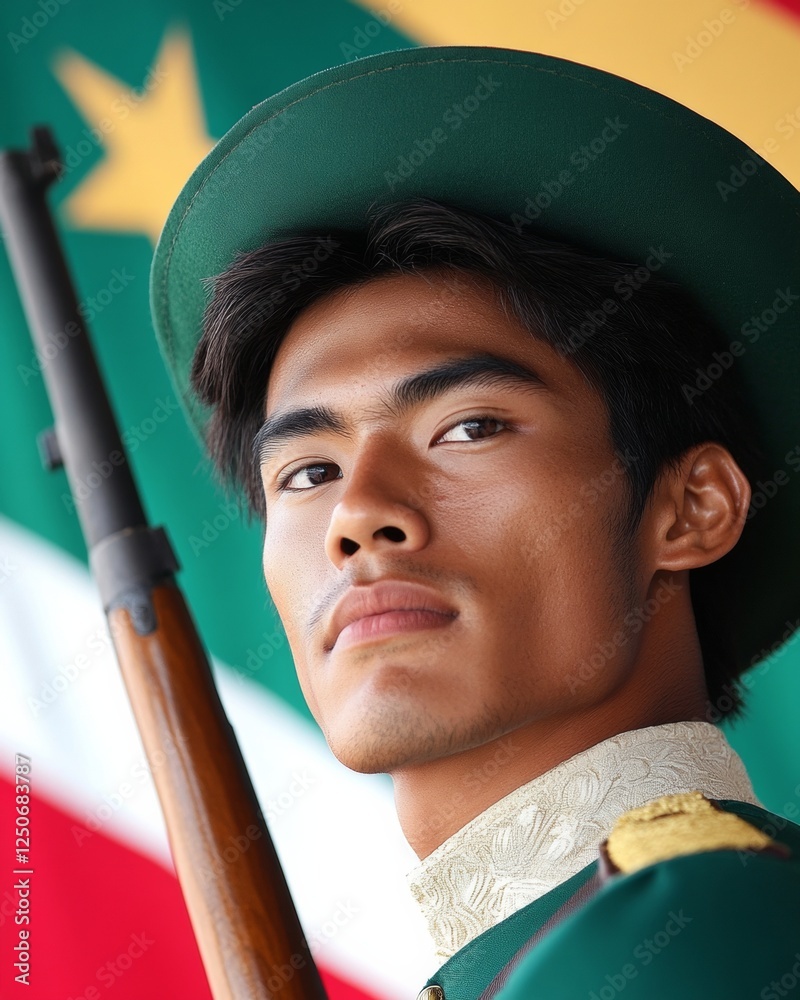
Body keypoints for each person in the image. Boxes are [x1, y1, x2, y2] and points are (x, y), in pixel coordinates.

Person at [149, 45, 800, 999]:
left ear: (691, 507)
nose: (360, 515)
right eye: (308, 471)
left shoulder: (700, 934)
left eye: (469, 427)